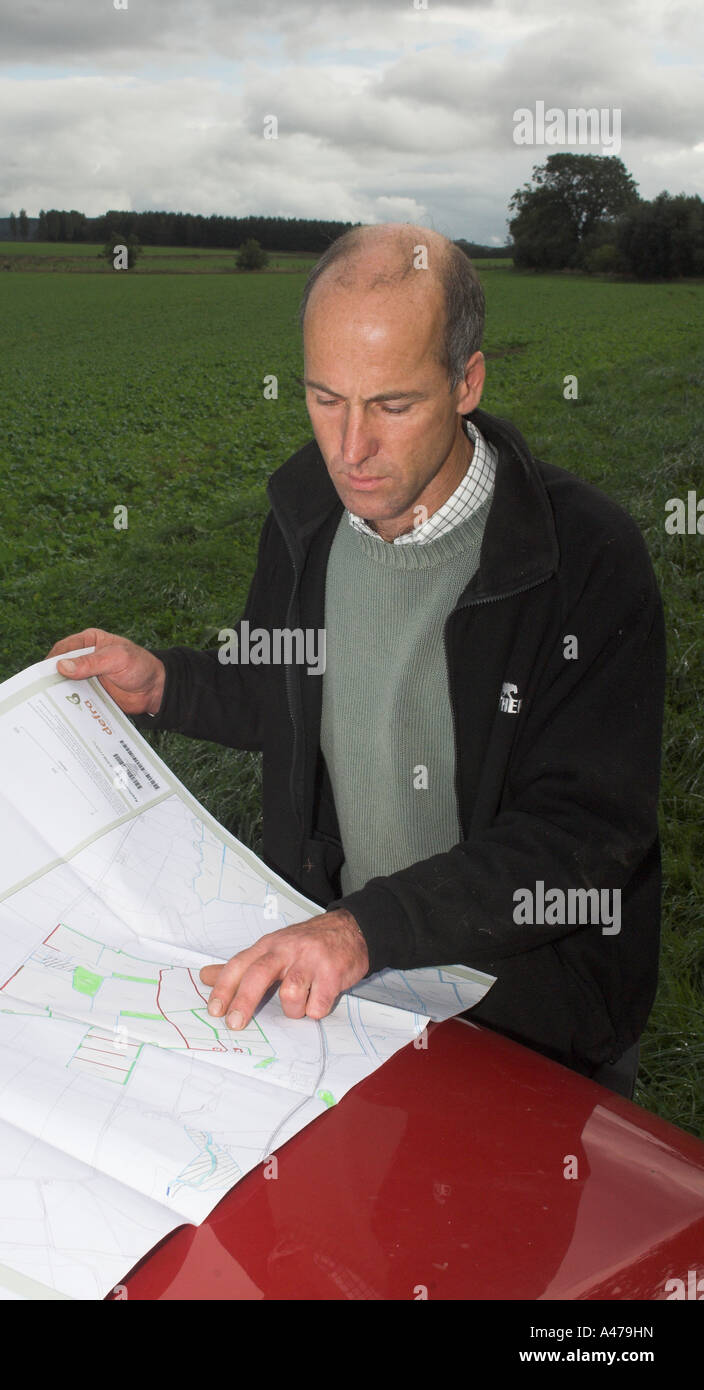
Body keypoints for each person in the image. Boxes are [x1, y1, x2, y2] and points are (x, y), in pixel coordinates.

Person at [47, 223, 665, 1096]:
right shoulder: (305, 514)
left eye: (393, 405)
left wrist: (363, 928)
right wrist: (167, 683)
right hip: (350, 1002)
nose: (350, 447)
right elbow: (291, 692)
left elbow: (583, 837)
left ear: (467, 383)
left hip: (524, 1017)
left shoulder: (585, 560)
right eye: (324, 398)